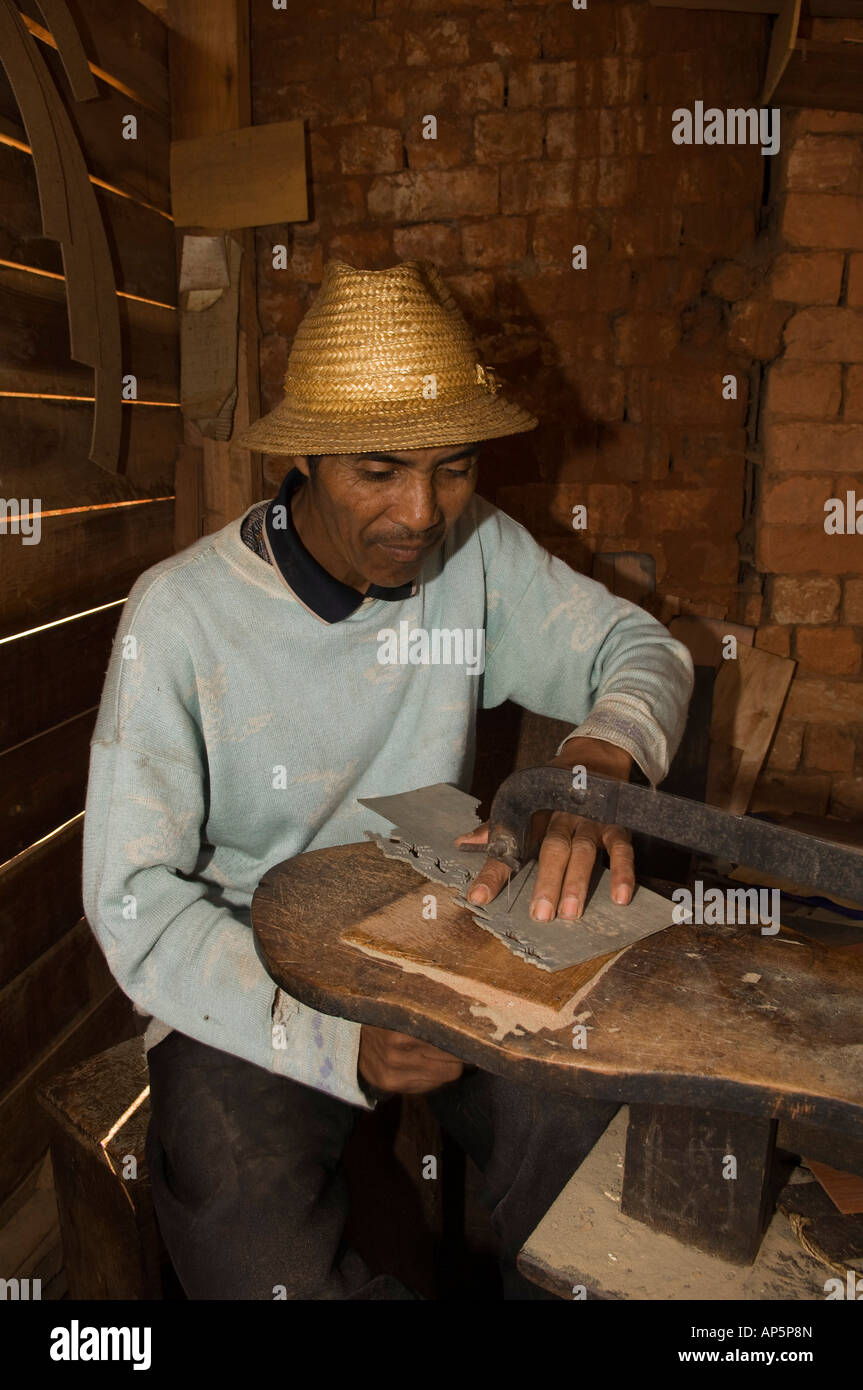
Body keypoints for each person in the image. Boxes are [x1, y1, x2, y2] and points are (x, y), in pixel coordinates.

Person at [82, 259, 693, 1299]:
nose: (421, 510)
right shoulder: (177, 619)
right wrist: (335, 1044)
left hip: (440, 924)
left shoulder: (473, 552)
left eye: (451, 466)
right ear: (308, 456)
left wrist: (599, 754)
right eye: (380, 470)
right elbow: (134, 902)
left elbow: (642, 650)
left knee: (593, 1138)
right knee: (256, 1242)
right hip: (250, 970)